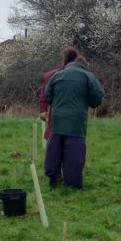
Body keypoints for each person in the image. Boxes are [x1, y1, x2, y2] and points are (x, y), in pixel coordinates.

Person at [43, 46, 104, 190]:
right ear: (84, 65)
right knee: (74, 150)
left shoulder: (57, 75)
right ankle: (73, 183)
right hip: (77, 120)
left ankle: (53, 178)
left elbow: (47, 95)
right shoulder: (87, 76)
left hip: (57, 118)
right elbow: (97, 97)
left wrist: (57, 105)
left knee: (54, 148)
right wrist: (88, 102)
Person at [39, 61, 64, 141]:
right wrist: (43, 110)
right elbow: (44, 94)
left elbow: (44, 94)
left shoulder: (52, 75)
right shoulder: (52, 75)